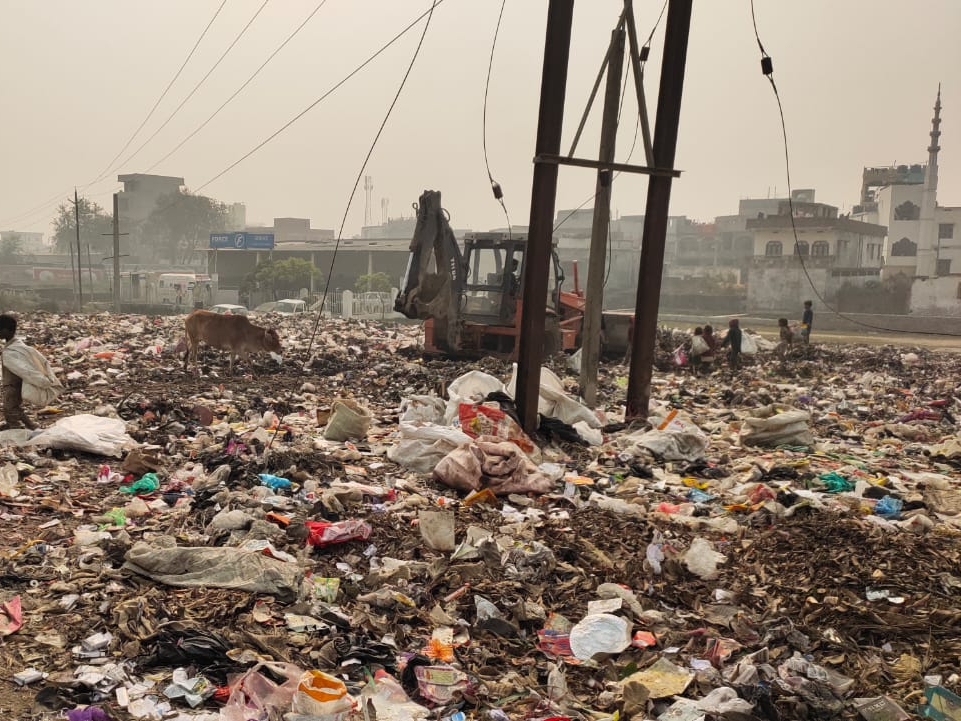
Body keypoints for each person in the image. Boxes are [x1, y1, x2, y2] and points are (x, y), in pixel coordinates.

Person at [1, 314, 63, 430]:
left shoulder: (10, 352)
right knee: (15, 407)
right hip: (18, 384)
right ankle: (31, 426)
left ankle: (16, 430)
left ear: (6, 330)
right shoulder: (19, 346)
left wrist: (42, 381)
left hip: (12, 386)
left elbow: (25, 370)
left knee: (9, 410)